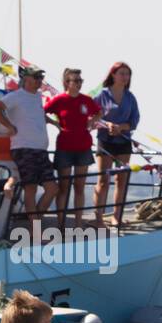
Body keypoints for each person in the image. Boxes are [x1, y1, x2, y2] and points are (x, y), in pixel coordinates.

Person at [0, 66, 58, 241]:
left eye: (40, 77)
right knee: (31, 188)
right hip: (24, 148)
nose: (39, 81)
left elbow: (35, 115)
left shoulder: (37, 97)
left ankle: (34, 221)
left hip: (40, 149)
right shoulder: (16, 95)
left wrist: (53, 122)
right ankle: (35, 228)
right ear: (26, 79)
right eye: (36, 77)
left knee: (52, 188)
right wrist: (9, 126)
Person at [44, 67, 101, 230]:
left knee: (79, 186)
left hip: (83, 146)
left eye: (80, 80)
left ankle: (77, 223)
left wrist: (91, 122)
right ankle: (61, 224)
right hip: (65, 148)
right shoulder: (59, 100)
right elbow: (42, 112)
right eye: (75, 80)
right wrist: (54, 123)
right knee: (63, 187)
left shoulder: (86, 100)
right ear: (66, 83)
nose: (78, 83)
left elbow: (99, 112)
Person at [93, 62, 140, 228]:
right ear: (113, 74)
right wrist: (108, 125)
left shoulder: (130, 97)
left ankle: (116, 217)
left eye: (127, 74)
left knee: (122, 179)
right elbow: (93, 117)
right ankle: (98, 218)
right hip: (105, 141)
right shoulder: (101, 95)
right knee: (103, 180)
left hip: (124, 142)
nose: (125, 77)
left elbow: (134, 120)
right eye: (122, 73)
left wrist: (121, 127)